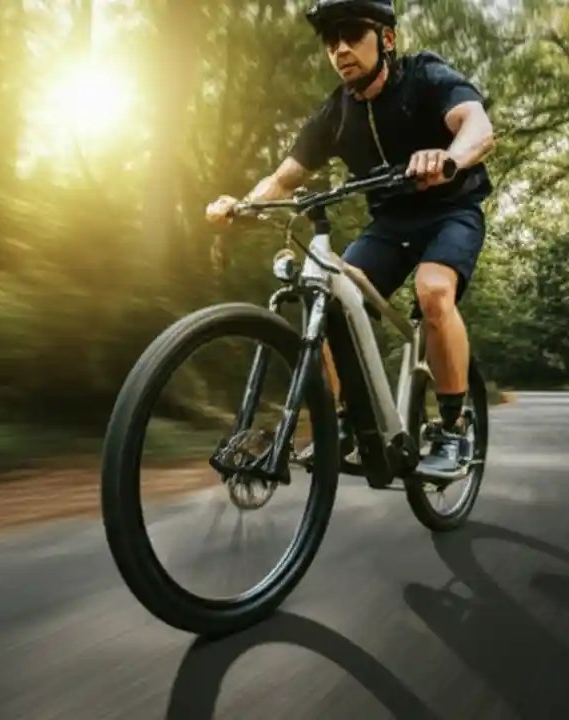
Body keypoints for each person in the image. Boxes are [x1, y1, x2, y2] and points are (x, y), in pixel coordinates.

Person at [204, 0, 496, 480]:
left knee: (433, 292)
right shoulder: (335, 114)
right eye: (330, 41)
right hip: (389, 226)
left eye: (352, 35)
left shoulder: (424, 76)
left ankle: (452, 429)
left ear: (385, 39)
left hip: (451, 212)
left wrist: (448, 160)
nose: (339, 49)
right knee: (331, 293)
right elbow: (282, 180)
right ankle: (350, 425)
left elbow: (477, 126)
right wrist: (241, 204)